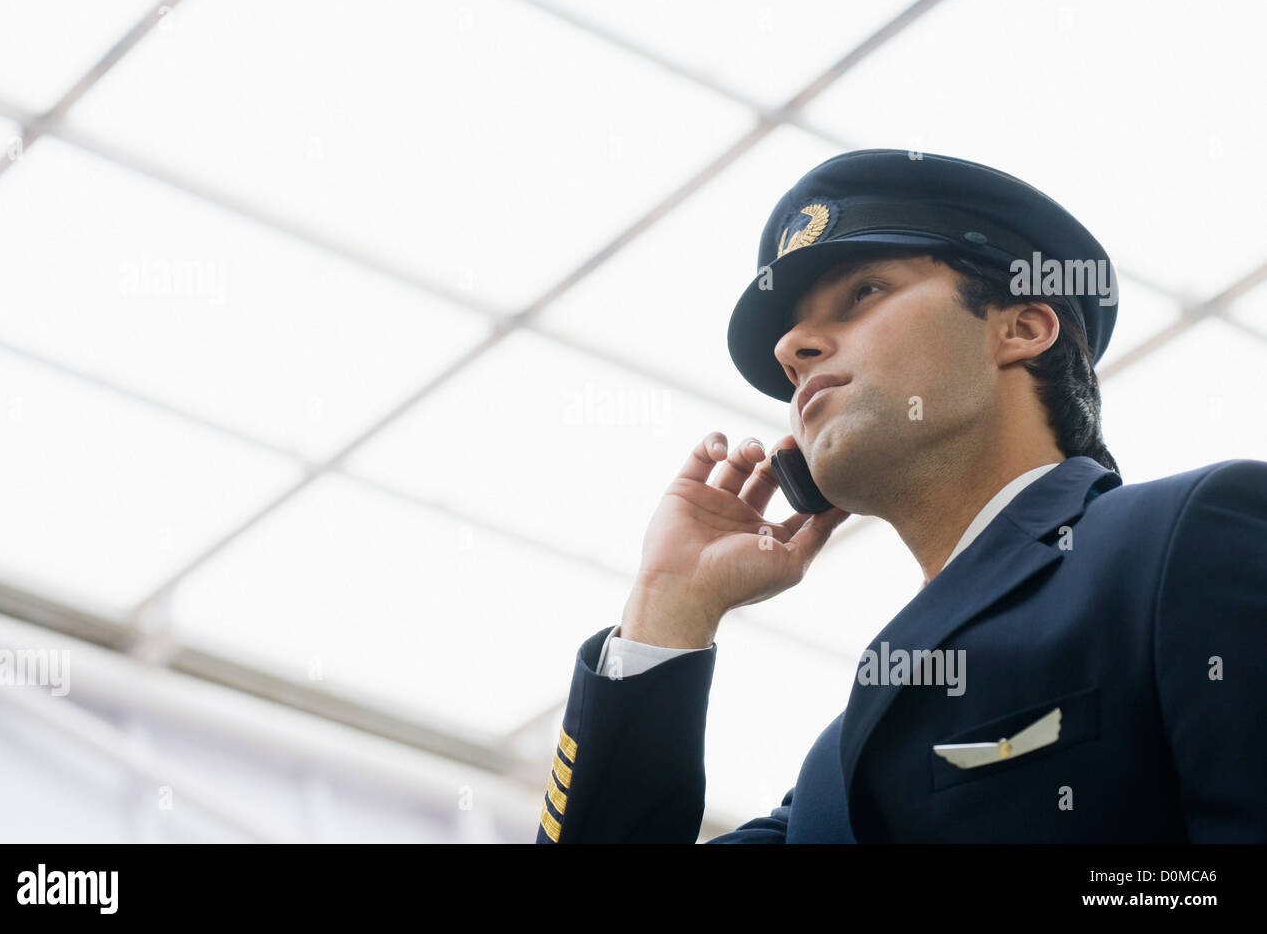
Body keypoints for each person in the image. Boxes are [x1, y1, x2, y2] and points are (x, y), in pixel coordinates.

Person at [534, 149, 1267, 843]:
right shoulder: (828, 784)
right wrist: (670, 606)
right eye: (791, 340)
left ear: (1022, 326)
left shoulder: (1192, 537)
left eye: (863, 292)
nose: (794, 346)